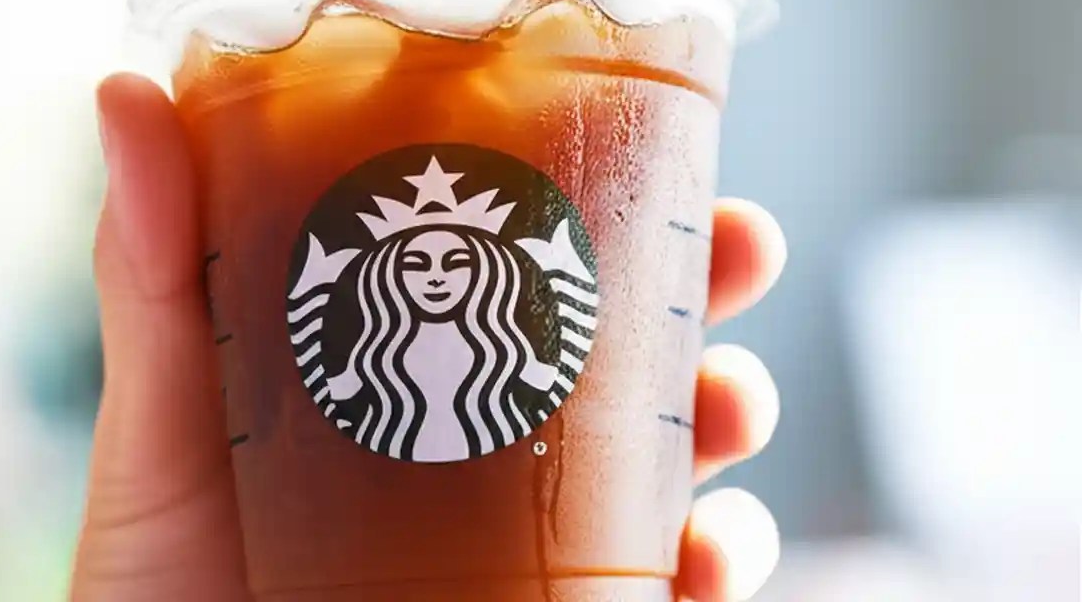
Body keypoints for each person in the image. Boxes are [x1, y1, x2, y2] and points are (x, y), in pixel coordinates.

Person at [72, 73, 786, 601]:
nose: (436, 277)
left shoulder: (521, 372)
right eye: (415, 259)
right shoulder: (358, 376)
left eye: (457, 259)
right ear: (383, 272)